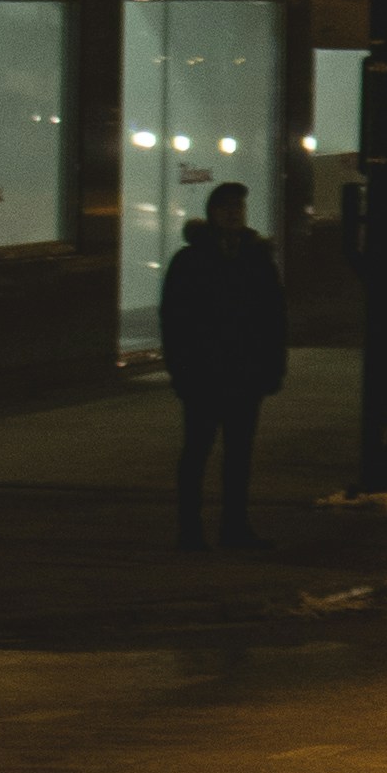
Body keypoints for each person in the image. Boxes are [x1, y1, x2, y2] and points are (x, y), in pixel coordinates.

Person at [161, 178, 290, 549]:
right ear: (213, 214)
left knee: (237, 455)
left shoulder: (256, 259)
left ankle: (232, 526)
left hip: (244, 374)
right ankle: (192, 529)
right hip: (204, 374)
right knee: (199, 452)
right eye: (227, 208)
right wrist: (181, 370)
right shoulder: (193, 261)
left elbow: (274, 319)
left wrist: (272, 367)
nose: (234, 213)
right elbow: (175, 320)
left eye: (238, 207)